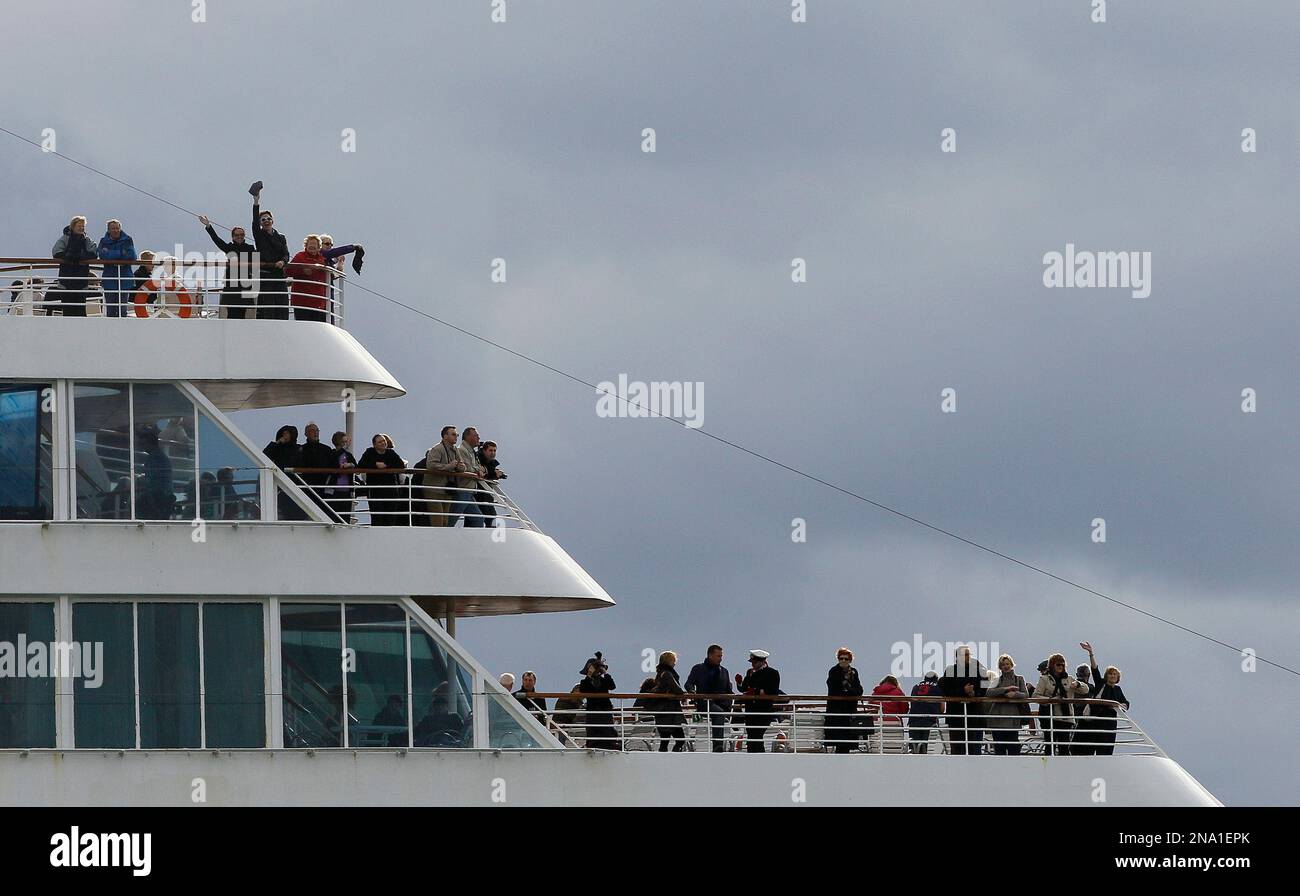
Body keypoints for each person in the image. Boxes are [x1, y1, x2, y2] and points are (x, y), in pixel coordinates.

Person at [1074, 641, 1129, 756]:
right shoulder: (1101, 684)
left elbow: (1126, 703)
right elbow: (1095, 670)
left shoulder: (1118, 690)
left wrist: (1119, 706)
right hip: (1096, 721)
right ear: (1106, 675)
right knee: (1091, 748)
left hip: (1110, 724)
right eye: (1110, 674)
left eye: (1115, 674)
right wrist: (1091, 653)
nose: (1113, 676)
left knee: (1106, 751)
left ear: (1118, 677)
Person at [198, 214, 257, 319]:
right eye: (237, 235)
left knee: (243, 313)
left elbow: (258, 262)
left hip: (245, 284)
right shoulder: (230, 247)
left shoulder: (250, 248)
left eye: (241, 235)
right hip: (232, 284)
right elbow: (217, 240)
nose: (239, 237)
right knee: (231, 313)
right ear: (233, 237)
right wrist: (208, 226)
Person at [1032, 653, 1090, 756]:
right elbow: (1036, 696)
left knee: (1064, 746)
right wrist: (1050, 700)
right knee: (1050, 745)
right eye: (1058, 664)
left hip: (1065, 717)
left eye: (1062, 665)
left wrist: (1078, 684)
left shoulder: (1069, 679)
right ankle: (1049, 769)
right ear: (1052, 665)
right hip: (1050, 716)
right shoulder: (1044, 679)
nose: (1060, 667)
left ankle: (1064, 769)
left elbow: (1086, 690)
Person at [249, 183, 291, 320]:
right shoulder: (259, 235)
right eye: (263, 220)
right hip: (265, 273)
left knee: (282, 304)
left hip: (279, 274)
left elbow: (286, 254)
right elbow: (254, 221)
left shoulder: (281, 237)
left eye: (268, 219)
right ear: (261, 223)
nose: (266, 221)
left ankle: (283, 326)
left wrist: (283, 261)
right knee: (268, 305)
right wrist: (256, 201)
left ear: (273, 220)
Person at [939, 646, 989, 755]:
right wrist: (963, 691)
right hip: (956, 716)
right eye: (965, 654)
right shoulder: (950, 670)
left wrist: (974, 693)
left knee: (975, 748)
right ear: (958, 657)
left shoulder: (979, 670)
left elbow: (985, 688)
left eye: (969, 654)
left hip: (974, 715)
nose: (968, 657)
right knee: (957, 748)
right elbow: (946, 690)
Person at [684, 644, 733, 753]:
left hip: (721, 704)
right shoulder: (698, 669)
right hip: (704, 703)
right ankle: (718, 746)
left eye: (721, 656)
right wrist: (692, 691)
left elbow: (728, 691)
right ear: (710, 655)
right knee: (719, 714)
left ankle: (719, 744)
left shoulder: (724, 671)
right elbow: (688, 684)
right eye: (718, 656)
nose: (721, 658)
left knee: (720, 713)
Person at [51, 216, 98, 316]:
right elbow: (56, 252)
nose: (81, 228)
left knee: (81, 308)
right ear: (73, 226)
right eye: (79, 226)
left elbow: (94, 252)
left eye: (83, 226)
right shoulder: (65, 239)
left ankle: (80, 328)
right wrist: (75, 258)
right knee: (68, 308)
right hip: (66, 280)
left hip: (81, 280)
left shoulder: (86, 240)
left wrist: (74, 257)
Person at [736, 649, 780, 753]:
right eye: (752, 662)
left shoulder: (772, 673)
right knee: (751, 737)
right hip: (750, 711)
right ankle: (752, 757)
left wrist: (756, 691)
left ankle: (759, 759)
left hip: (763, 711)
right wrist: (739, 683)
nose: (753, 664)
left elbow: (773, 691)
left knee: (757, 735)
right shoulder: (750, 673)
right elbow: (744, 688)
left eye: (754, 662)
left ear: (761, 661)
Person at [985, 654, 1030, 756]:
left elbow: (1025, 694)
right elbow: (989, 692)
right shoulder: (997, 680)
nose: (1005, 666)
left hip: (1013, 718)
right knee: (999, 748)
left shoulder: (1019, 679)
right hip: (997, 718)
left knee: (1013, 747)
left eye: (1007, 664)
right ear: (1000, 667)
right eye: (1003, 664)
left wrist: (1015, 695)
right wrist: (1005, 689)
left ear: (1011, 665)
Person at [358, 434, 406, 526]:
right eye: (380, 442)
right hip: (375, 490)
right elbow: (360, 465)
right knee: (377, 517)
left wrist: (386, 465)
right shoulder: (369, 452)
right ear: (374, 445)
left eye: (384, 441)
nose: (383, 443)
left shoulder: (390, 453)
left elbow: (400, 465)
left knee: (390, 517)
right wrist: (375, 465)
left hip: (390, 490)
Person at [264, 425, 309, 521]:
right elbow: (264, 455)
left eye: (287, 433)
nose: (285, 436)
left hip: (295, 482)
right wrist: (277, 443)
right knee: (283, 505)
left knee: (296, 507)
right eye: (283, 434)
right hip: (280, 483)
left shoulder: (299, 448)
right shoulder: (277, 448)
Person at [825, 647, 864, 753]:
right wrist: (850, 691)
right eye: (841, 658)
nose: (843, 661)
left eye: (846, 659)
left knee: (848, 739)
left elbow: (859, 689)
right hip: (837, 711)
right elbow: (833, 688)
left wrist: (849, 690)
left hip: (849, 711)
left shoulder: (854, 672)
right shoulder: (834, 671)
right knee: (838, 738)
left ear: (850, 660)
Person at [577, 652, 619, 750]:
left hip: (604, 710)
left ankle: (609, 745)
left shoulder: (604, 681)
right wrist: (590, 674)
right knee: (593, 731)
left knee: (607, 730)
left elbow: (612, 686)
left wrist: (605, 672)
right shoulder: (585, 682)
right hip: (593, 711)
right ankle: (593, 745)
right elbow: (583, 690)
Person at [287, 235, 333, 322]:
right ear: (306, 245)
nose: (312, 246)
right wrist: (302, 271)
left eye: (314, 244)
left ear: (319, 247)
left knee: (318, 328)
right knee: (303, 326)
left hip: (319, 302)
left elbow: (329, 275)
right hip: (302, 301)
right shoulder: (300, 256)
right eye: (310, 244)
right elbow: (288, 271)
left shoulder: (322, 259)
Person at [96, 219, 136, 318]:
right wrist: (121, 253)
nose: (115, 230)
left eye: (117, 228)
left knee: (122, 310)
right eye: (113, 228)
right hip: (110, 278)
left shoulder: (127, 240)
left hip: (124, 278)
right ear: (108, 230)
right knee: (111, 310)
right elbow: (102, 255)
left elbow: (132, 255)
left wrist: (111, 254)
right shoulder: (104, 241)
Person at [134, 423, 175, 519]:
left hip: (158, 499)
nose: (141, 447)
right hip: (160, 497)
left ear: (149, 443)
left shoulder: (157, 458)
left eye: (143, 444)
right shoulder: (157, 457)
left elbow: (154, 482)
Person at [448, 427, 487, 527]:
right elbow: (466, 467)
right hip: (463, 490)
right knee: (451, 519)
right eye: (476, 435)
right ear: (468, 437)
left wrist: (482, 470)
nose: (479, 438)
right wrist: (478, 470)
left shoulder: (471, 452)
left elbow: (479, 467)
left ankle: (472, 541)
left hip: (468, 491)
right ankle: (441, 537)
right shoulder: (461, 450)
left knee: (478, 519)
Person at [423, 426, 462, 527]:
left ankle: (441, 540)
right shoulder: (437, 449)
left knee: (445, 521)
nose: (456, 437)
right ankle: (437, 540)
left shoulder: (455, 450)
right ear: (445, 436)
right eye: (453, 434)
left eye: (456, 435)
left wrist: (460, 467)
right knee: (438, 520)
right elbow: (431, 465)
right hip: (434, 489)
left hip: (446, 489)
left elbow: (462, 465)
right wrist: (449, 466)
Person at [650, 651, 687, 752]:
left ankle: (664, 760)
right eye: (674, 660)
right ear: (670, 661)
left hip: (662, 712)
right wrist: (683, 696)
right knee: (680, 739)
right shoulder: (667, 674)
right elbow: (677, 689)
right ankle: (674, 757)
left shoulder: (660, 673)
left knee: (665, 740)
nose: (675, 663)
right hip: (670, 712)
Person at [324, 431, 357, 522]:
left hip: (346, 490)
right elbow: (331, 464)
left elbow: (357, 467)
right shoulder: (331, 453)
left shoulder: (348, 455)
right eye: (344, 441)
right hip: (333, 490)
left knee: (345, 517)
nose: (346, 443)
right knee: (333, 515)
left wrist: (350, 465)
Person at [907, 671, 944, 754]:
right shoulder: (938, 687)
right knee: (926, 746)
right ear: (936, 679)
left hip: (914, 719)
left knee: (914, 746)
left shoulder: (915, 687)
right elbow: (942, 708)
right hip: (929, 719)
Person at [476, 439, 506, 525]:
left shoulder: (489, 462)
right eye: (490, 450)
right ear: (484, 451)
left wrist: (494, 474)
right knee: (489, 520)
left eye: (494, 450)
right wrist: (493, 474)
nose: (492, 453)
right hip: (479, 494)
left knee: (489, 520)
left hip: (486, 495)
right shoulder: (478, 460)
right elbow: (480, 473)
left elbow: (486, 472)